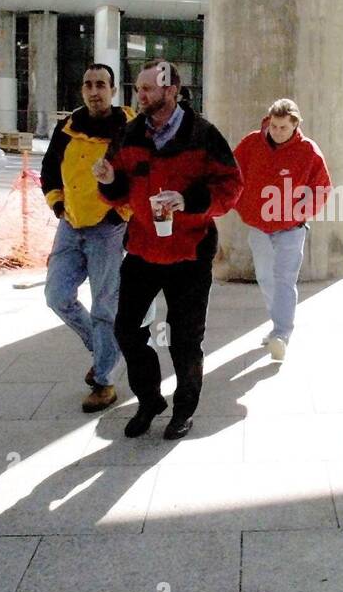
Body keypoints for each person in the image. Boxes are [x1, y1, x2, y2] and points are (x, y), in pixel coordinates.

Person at [94, 59, 242, 440]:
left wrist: (189, 200)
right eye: (138, 88)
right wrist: (109, 182)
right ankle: (149, 400)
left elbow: (231, 187)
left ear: (172, 91)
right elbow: (117, 188)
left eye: (148, 89)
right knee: (126, 330)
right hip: (143, 249)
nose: (140, 95)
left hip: (190, 254)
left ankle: (183, 410)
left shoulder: (203, 134)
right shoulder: (129, 134)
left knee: (185, 338)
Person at [41, 64, 134, 413]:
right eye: (88, 84)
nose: (94, 91)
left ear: (112, 89)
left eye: (101, 85)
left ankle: (104, 381)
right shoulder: (67, 127)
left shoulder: (129, 126)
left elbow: (142, 174)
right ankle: (102, 350)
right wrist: (57, 204)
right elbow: (49, 170)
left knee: (104, 305)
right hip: (70, 224)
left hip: (107, 228)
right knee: (57, 295)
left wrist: (120, 213)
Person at [232, 99, 331, 361]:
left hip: (291, 228)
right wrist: (242, 206)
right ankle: (277, 324)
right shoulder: (252, 143)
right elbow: (231, 173)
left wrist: (301, 212)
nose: (276, 131)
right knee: (265, 277)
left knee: (284, 279)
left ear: (295, 125)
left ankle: (281, 333)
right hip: (259, 226)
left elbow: (322, 187)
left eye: (283, 127)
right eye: (274, 126)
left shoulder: (308, 151)